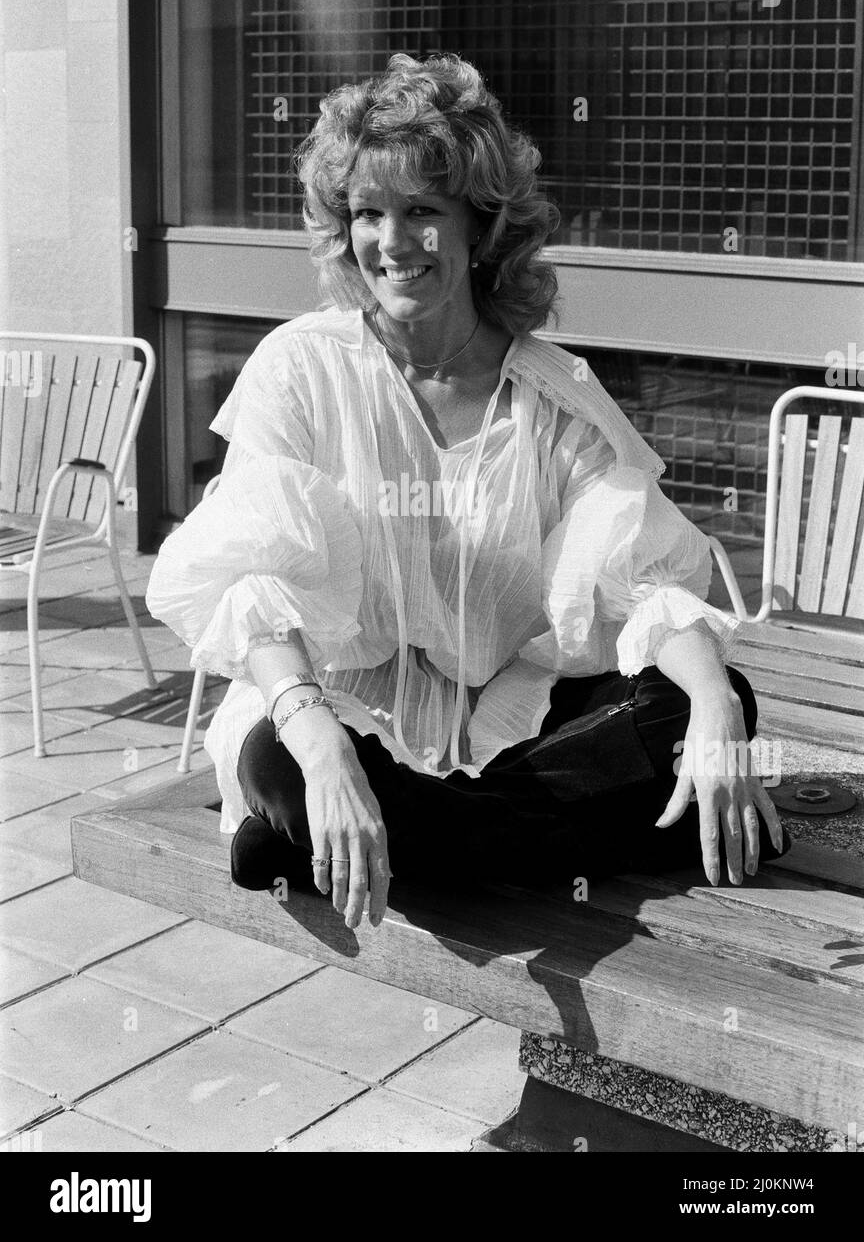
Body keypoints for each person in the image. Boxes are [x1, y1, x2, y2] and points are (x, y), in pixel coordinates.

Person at [145, 51, 787, 932]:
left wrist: (714, 709)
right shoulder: (302, 369)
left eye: (421, 211)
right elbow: (250, 585)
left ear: (482, 227)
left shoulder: (552, 398)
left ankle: (398, 842)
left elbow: (641, 579)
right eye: (367, 212)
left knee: (705, 702)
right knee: (275, 758)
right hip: (337, 712)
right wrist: (324, 745)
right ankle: (496, 836)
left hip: (514, 725)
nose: (391, 242)